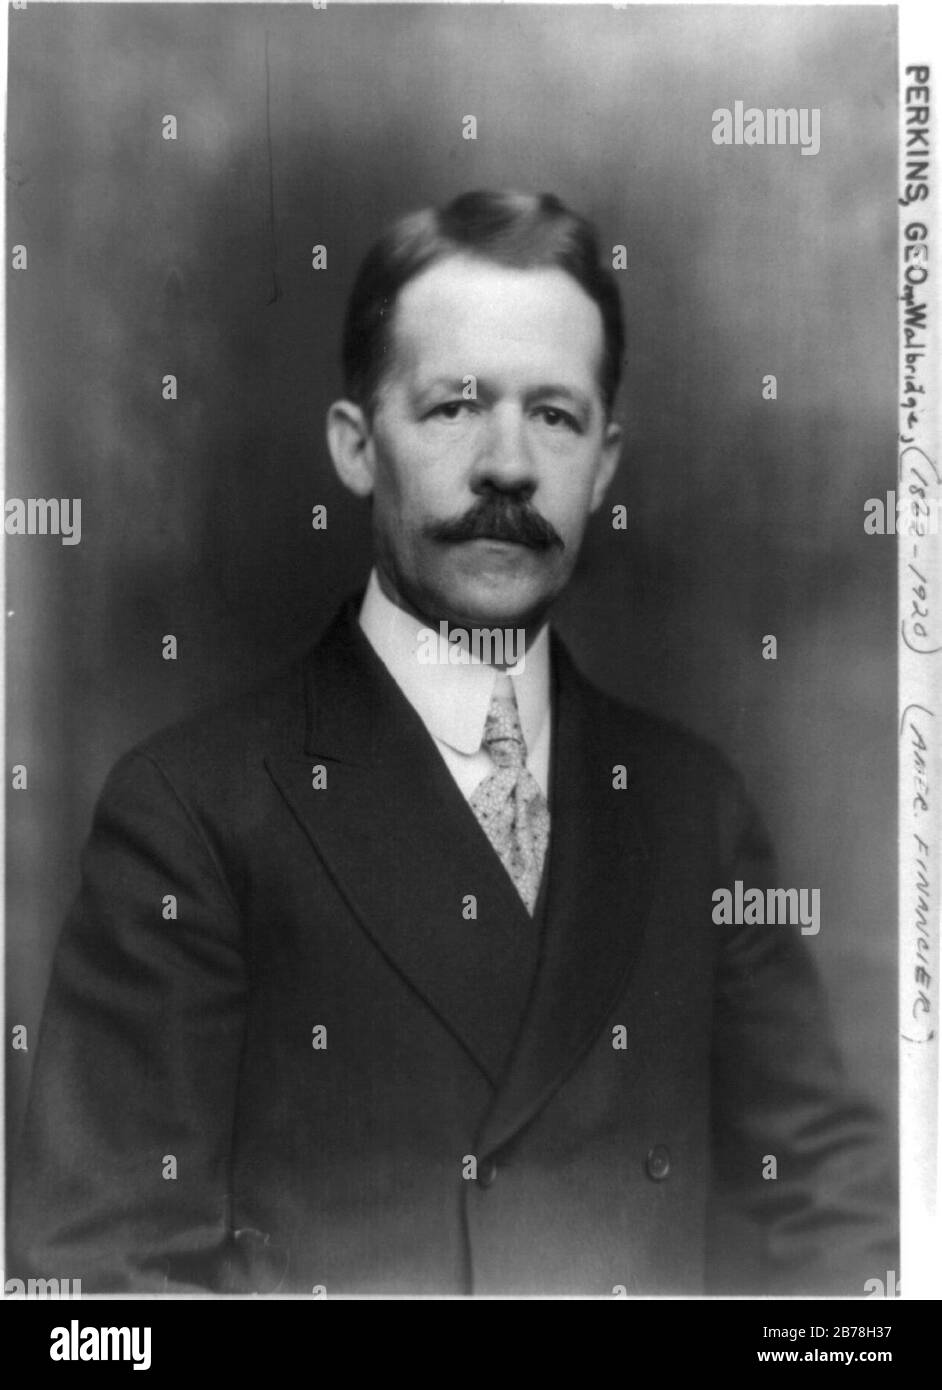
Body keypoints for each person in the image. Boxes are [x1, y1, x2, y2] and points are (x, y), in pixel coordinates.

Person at [9, 190, 895, 1296]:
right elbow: (93, 1287)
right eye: (455, 409)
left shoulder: (691, 807)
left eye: (557, 417)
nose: (509, 466)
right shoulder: (194, 810)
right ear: (355, 447)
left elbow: (837, 1218)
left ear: (605, 467)